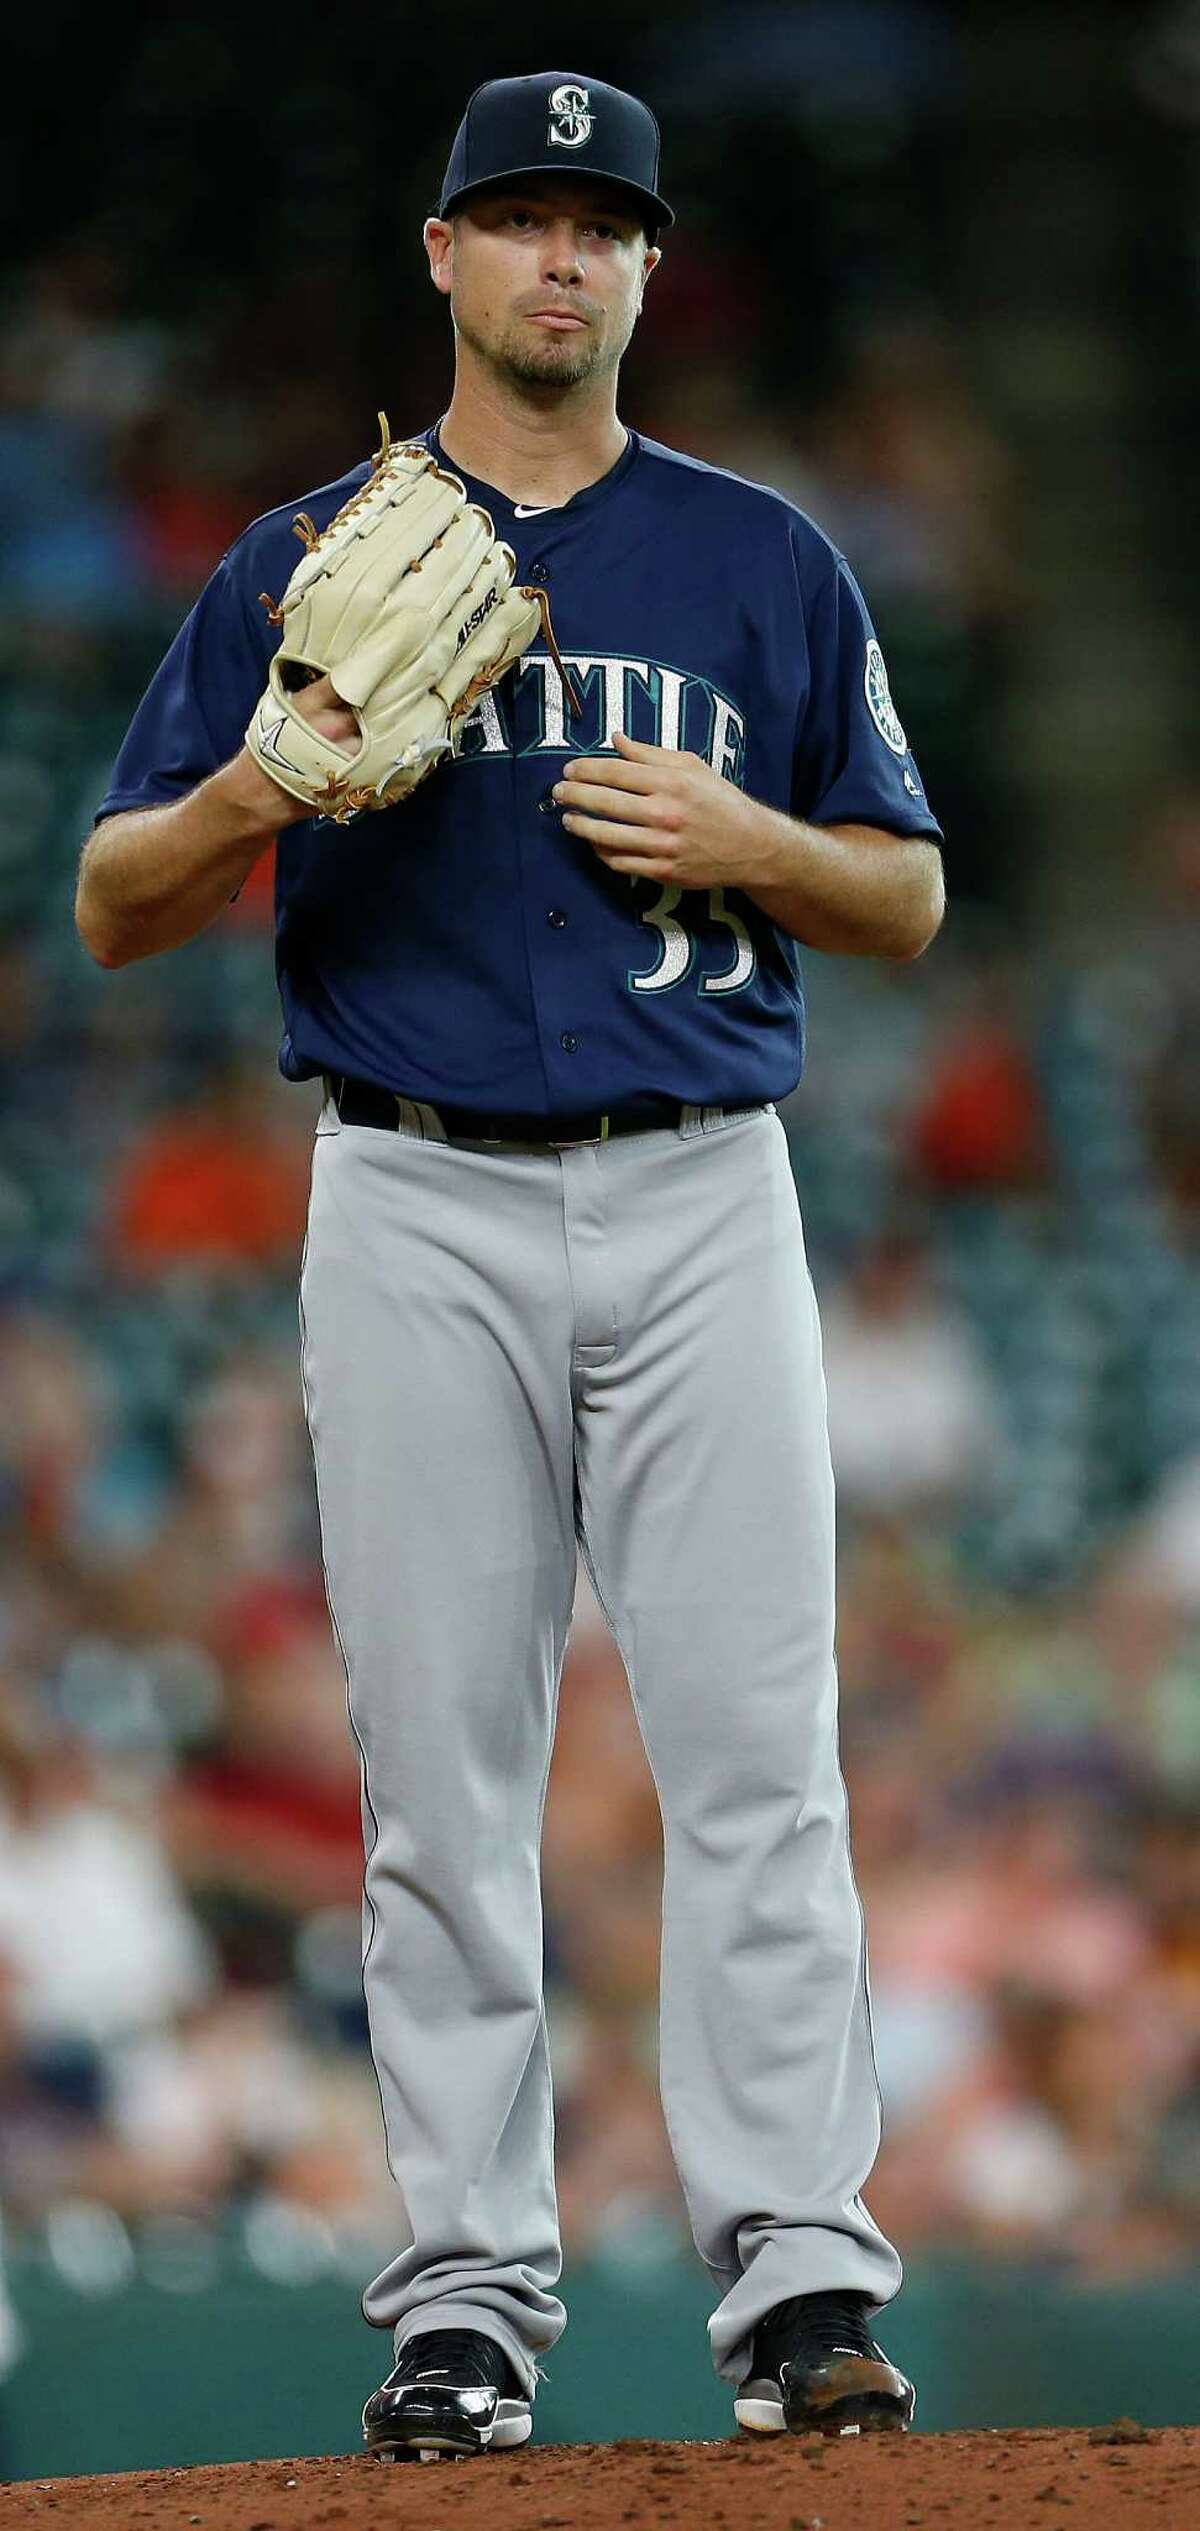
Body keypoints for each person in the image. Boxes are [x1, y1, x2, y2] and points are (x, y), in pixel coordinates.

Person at [77, 69, 945, 2462]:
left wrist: (755, 830)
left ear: (650, 276)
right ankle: (463, 2302)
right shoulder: (304, 555)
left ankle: (799, 2293)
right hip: (413, 1188)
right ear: (440, 259)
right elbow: (110, 897)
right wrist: (279, 770)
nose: (565, 260)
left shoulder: (764, 562)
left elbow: (906, 889)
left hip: (701, 1187)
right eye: (521, 219)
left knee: (760, 1767)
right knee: (438, 1784)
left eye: (607, 226)